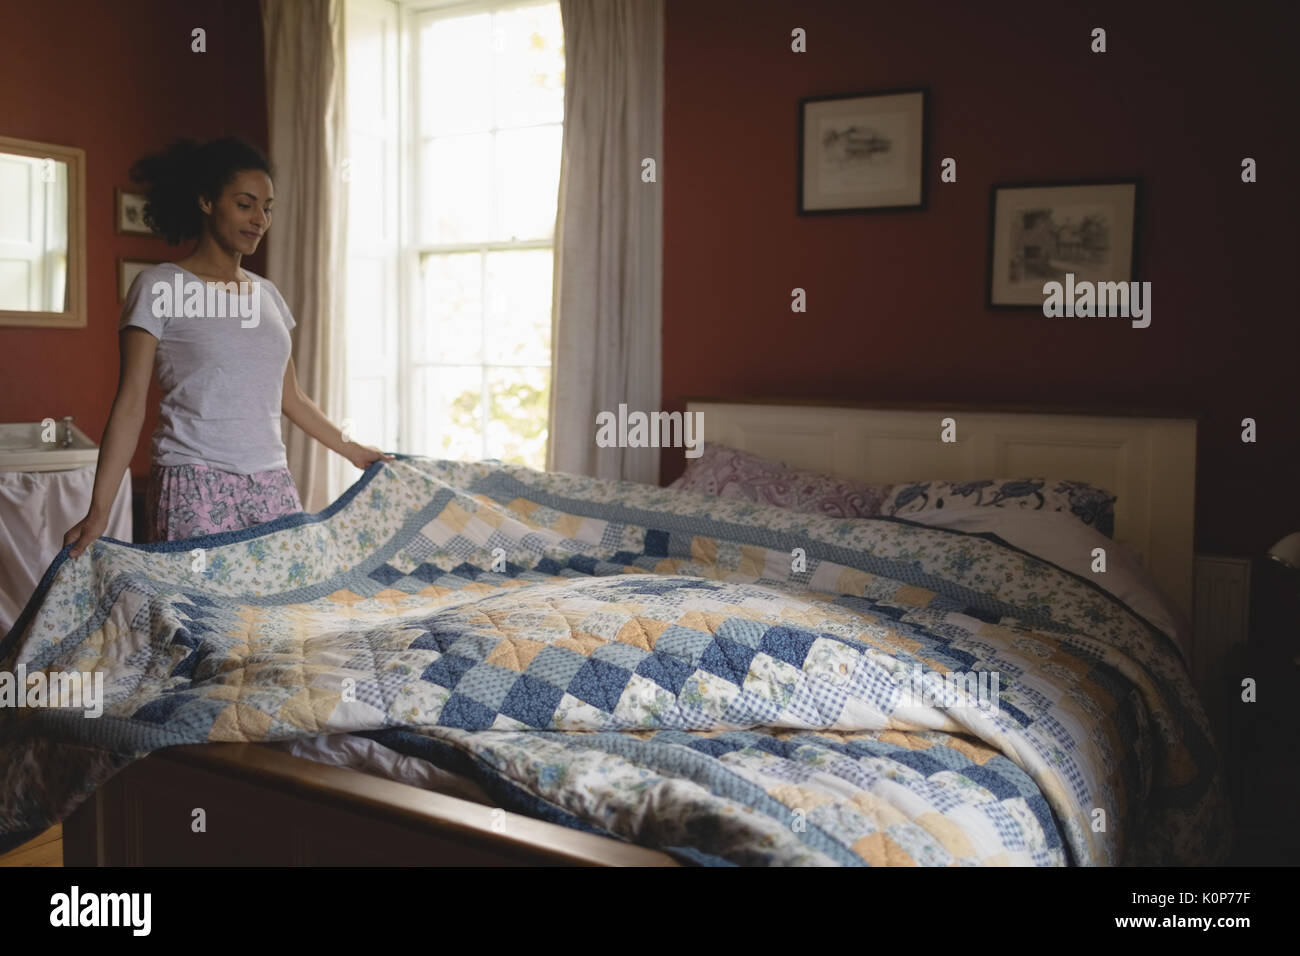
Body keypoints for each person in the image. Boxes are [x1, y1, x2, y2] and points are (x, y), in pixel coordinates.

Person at [64, 136, 389, 556]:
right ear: (206, 201)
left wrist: (354, 451)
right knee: (200, 619)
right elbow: (129, 405)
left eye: (267, 207)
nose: (259, 219)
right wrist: (99, 510)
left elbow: (290, 396)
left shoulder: (267, 295)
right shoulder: (159, 286)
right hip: (193, 483)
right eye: (245, 203)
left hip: (272, 481)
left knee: (283, 614)